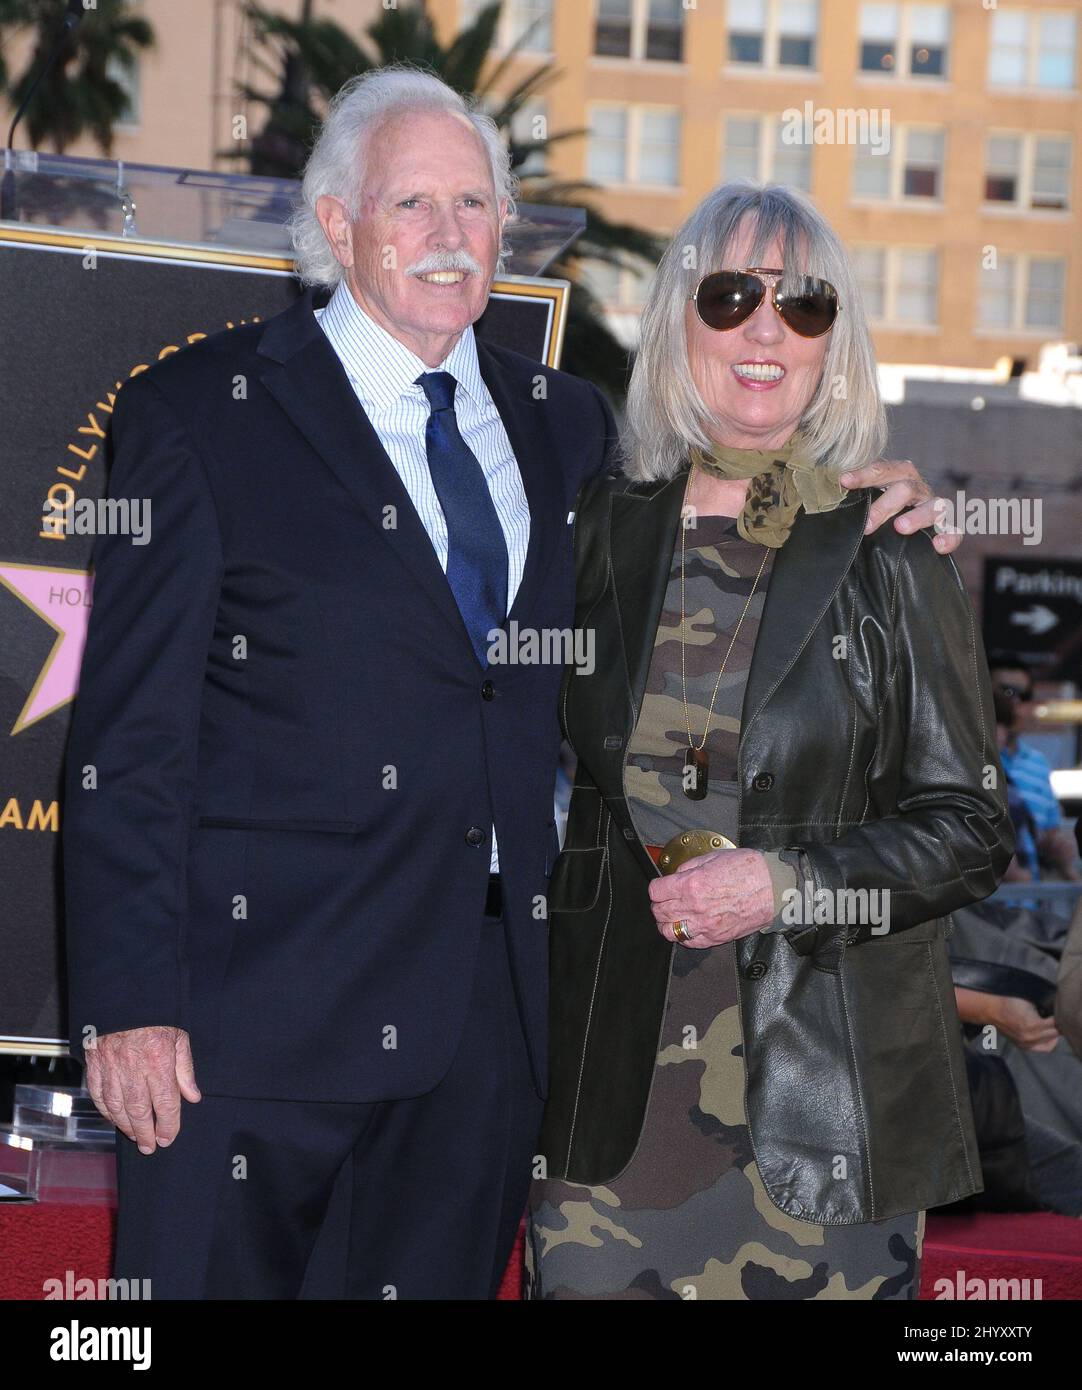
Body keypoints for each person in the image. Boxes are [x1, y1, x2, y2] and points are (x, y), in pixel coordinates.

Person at [63, 69, 960, 1300]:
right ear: (337, 226)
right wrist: (127, 1007)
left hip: (494, 1039)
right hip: (246, 1033)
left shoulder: (568, 432)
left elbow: (742, 491)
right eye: (412, 205)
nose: (448, 238)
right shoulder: (201, 416)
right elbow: (129, 737)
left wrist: (878, 488)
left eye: (474, 205)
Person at [527, 181, 1014, 1301]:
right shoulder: (596, 530)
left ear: (832, 345)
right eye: (731, 292)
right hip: (609, 1113)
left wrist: (786, 882)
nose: (764, 326)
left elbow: (971, 827)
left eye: (802, 303)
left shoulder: (892, 549)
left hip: (829, 1106)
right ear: (676, 324)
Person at [991, 659, 1081, 882]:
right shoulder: (965, 758)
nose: (1016, 701)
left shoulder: (1038, 764)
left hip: (1028, 903)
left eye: (1026, 694)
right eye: (1006, 692)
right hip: (976, 905)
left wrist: (1056, 850)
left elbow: (1049, 833)